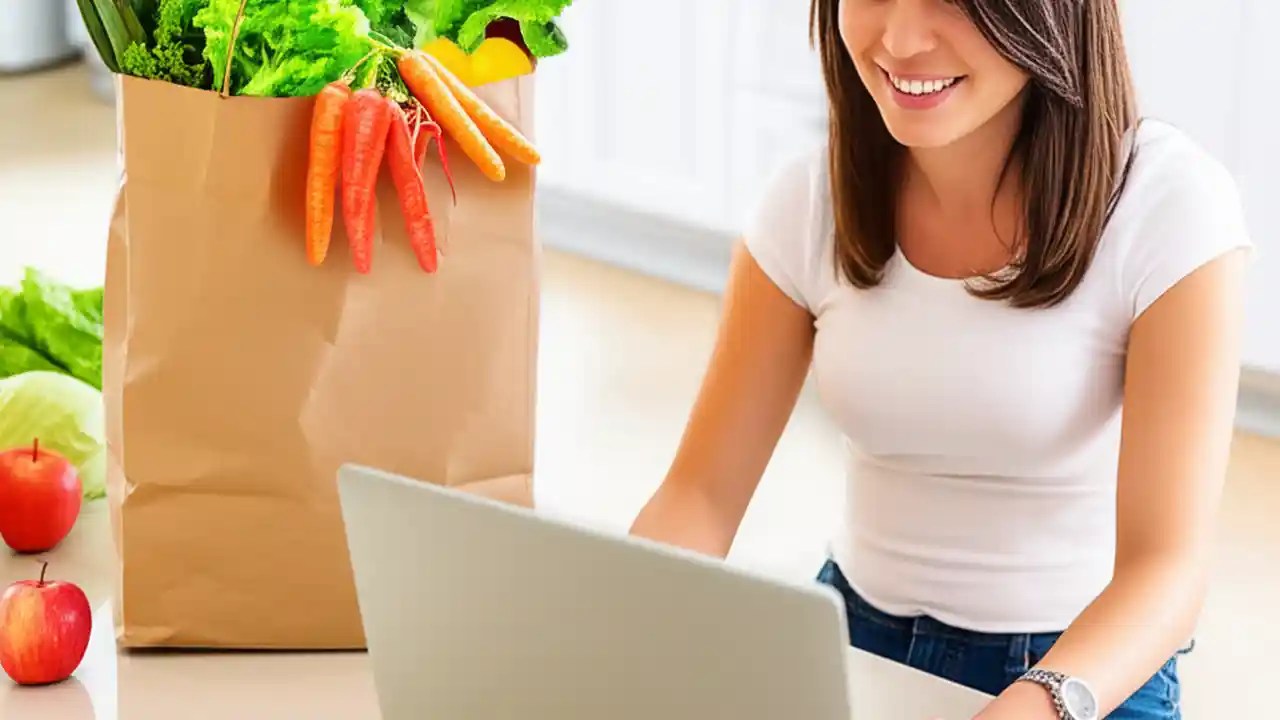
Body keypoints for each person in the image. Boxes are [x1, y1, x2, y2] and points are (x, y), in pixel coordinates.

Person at [630, 1, 1253, 718]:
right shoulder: (808, 201)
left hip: (1084, 670)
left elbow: (1166, 573)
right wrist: (622, 639)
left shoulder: (1167, 204)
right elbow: (700, 498)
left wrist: (1029, 705)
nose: (899, 39)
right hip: (852, 634)